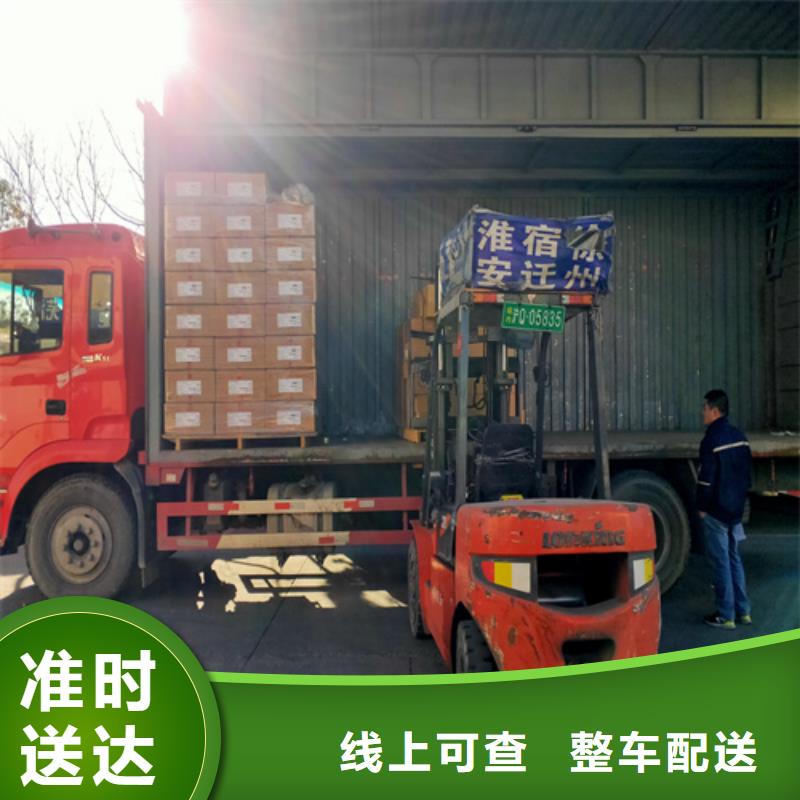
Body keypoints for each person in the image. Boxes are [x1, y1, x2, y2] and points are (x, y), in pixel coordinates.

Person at [696, 389, 752, 630]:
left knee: (721, 562)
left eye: (705, 408)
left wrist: (702, 507)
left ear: (714, 410)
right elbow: (747, 476)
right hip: (735, 510)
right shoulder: (740, 437)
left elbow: (706, 480)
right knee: (734, 558)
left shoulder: (711, 440)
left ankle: (725, 615)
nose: (702, 413)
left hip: (717, 511)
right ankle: (744, 611)